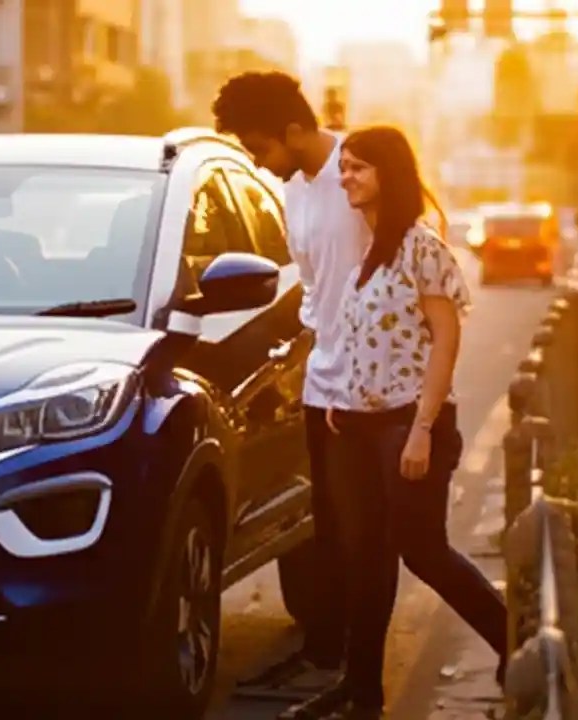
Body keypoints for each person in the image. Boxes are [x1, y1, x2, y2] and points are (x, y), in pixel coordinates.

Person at [283, 126, 509, 720]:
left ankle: (514, 641)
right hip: (356, 424)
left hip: (409, 424)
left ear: (389, 172)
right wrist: (343, 398)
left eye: (358, 168)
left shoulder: (420, 245)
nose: (346, 177)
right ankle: (361, 693)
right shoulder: (372, 248)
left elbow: (444, 341)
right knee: (364, 560)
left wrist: (423, 428)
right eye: (345, 167)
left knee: (423, 550)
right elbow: (366, 335)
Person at [211, 71, 370, 672]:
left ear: (295, 129)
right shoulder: (294, 188)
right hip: (321, 376)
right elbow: (309, 281)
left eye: (260, 148)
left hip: (374, 386)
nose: (260, 163)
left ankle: (361, 665)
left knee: (381, 533)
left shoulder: (360, 171)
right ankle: (330, 653)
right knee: (326, 524)